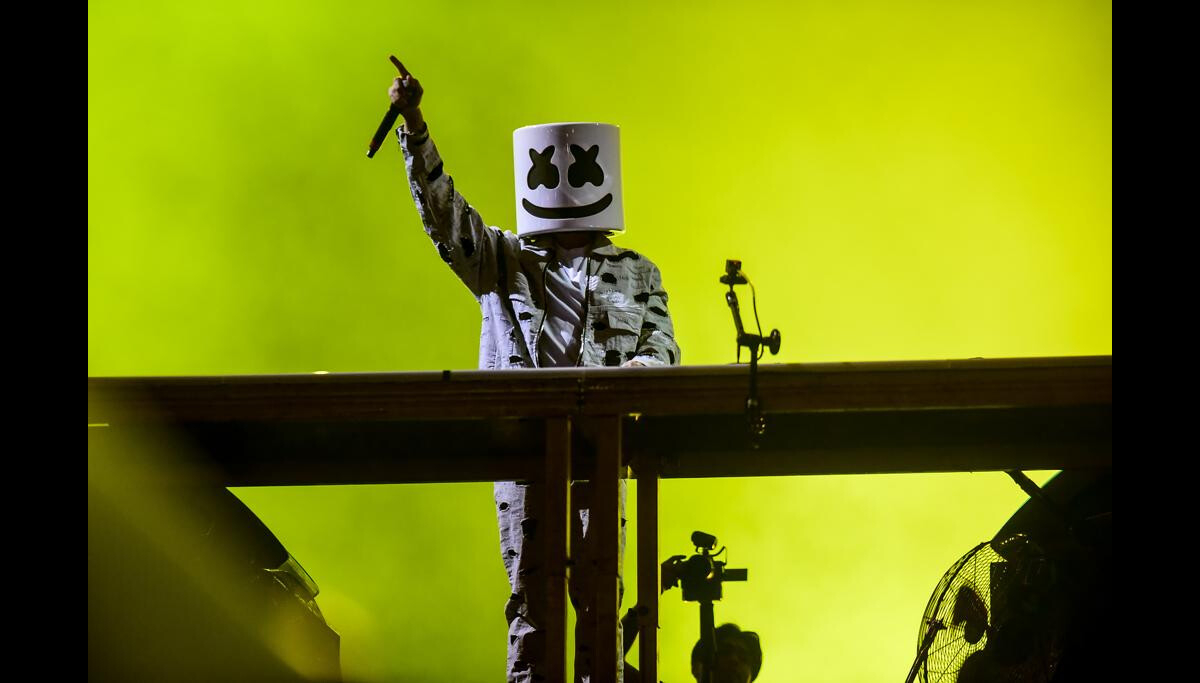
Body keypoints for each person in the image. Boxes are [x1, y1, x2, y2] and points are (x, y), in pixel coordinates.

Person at [388, 59, 681, 683]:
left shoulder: (637, 271)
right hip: (525, 455)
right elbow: (447, 220)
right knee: (530, 598)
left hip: (601, 452)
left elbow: (664, 351)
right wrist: (415, 127)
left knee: (602, 597)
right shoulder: (502, 259)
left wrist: (636, 371)